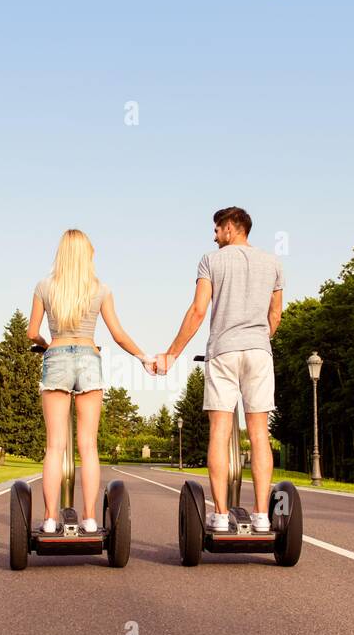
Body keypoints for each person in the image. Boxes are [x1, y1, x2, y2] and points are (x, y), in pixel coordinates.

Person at [155, 207, 284, 532]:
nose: (213, 236)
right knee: (259, 434)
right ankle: (261, 515)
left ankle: (222, 515)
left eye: (216, 229)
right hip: (258, 351)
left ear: (230, 227)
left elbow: (199, 311)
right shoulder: (273, 263)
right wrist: (257, 339)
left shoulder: (210, 261)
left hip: (223, 352)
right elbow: (276, 315)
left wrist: (171, 354)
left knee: (220, 432)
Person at [28, 229, 156, 533]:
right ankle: (88, 518)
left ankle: (48, 519)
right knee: (88, 446)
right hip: (88, 357)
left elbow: (32, 332)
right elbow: (118, 334)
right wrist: (143, 357)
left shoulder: (45, 286)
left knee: (55, 447)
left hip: (56, 355)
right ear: (88, 256)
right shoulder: (100, 289)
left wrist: (47, 346)